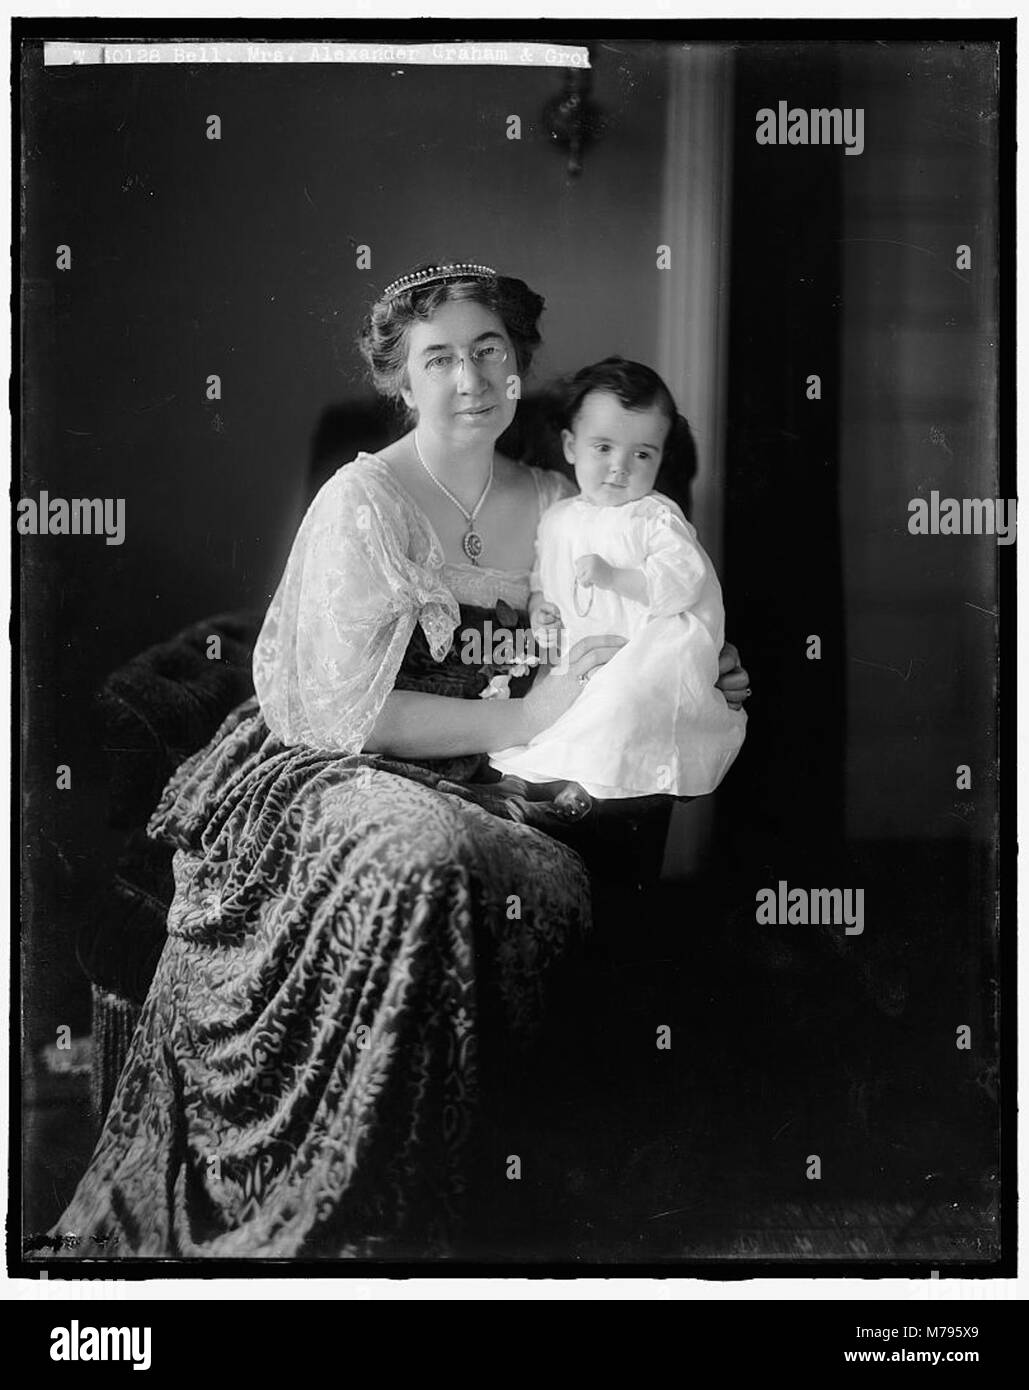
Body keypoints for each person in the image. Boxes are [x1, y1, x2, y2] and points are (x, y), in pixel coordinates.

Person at [43, 263, 751, 1260]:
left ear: (520, 372)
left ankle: (430, 1219)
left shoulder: (567, 500)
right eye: (440, 358)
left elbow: (646, 623)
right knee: (408, 848)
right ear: (402, 381)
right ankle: (340, 1230)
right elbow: (344, 710)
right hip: (342, 768)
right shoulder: (363, 501)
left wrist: (702, 666)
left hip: (521, 795)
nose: (470, 377)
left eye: (490, 351)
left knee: (483, 871)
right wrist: (535, 704)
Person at [490, 357, 746, 815]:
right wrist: (540, 603)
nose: (619, 467)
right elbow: (542, 574)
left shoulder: (653, 517)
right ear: (571, 446)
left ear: (660, 459)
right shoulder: (558, 518)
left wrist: (614, 577)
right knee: (561, 712)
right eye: (603, 447)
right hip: (582, 650)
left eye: (641, 454)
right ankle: (524, 783)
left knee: (622, 702)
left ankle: (585, 790)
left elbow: (684, 579)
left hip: (648, 646)